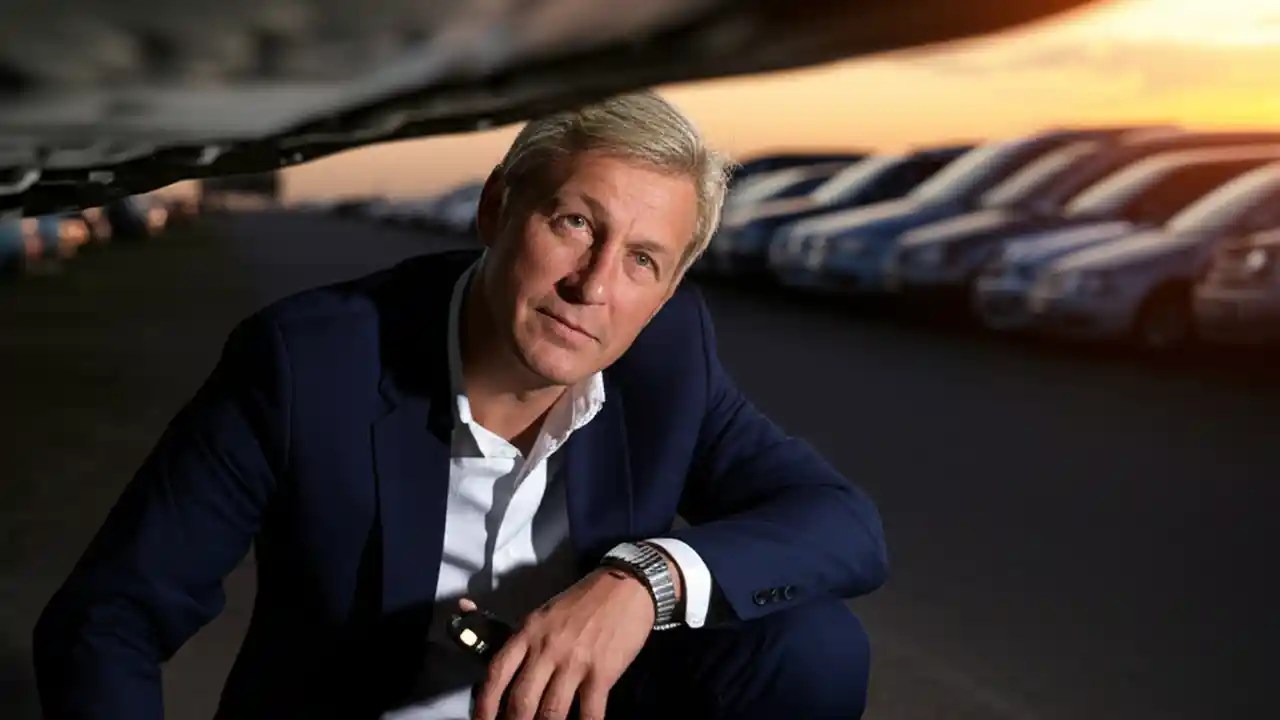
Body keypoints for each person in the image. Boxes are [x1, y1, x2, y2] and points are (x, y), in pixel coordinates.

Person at [33, 91, 889, 720]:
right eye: (575, 223)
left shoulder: (666, 363)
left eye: (642, 261)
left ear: (666, 294)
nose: (593, 286)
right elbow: (110, 619)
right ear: (495, 209)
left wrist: (644, 580)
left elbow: (842, 524)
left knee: (809, 645)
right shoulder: (308, 361)